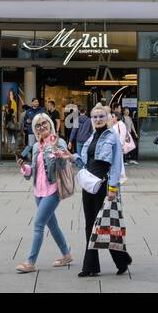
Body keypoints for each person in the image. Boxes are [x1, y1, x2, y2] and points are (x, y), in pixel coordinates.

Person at [75, 104, 131, 277]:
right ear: (91, 120)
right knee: (90, 225)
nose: (98, 119)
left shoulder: (112, 137)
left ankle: (121, 259)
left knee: (105, 225)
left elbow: (116, 165)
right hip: (89, 186)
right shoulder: (91, 137)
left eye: (101, 116)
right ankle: (90, 266)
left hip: (104, 185)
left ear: (107, 118)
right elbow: (85, 161)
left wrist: (113, 188)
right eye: (95, 117)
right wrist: (71, 156)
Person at [15, 113, 74, 273]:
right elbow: (33, 171)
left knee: (38, 224)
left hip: (53, 190)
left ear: (50, 124)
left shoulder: (58, 141)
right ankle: (66, 255)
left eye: (44, 123)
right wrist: (23, 167)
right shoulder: (35, 146)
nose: (41, 127)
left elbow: (63, 165)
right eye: (37, 125)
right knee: (52, 225)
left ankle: (30, 262)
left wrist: (55, 148)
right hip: (38, 191)